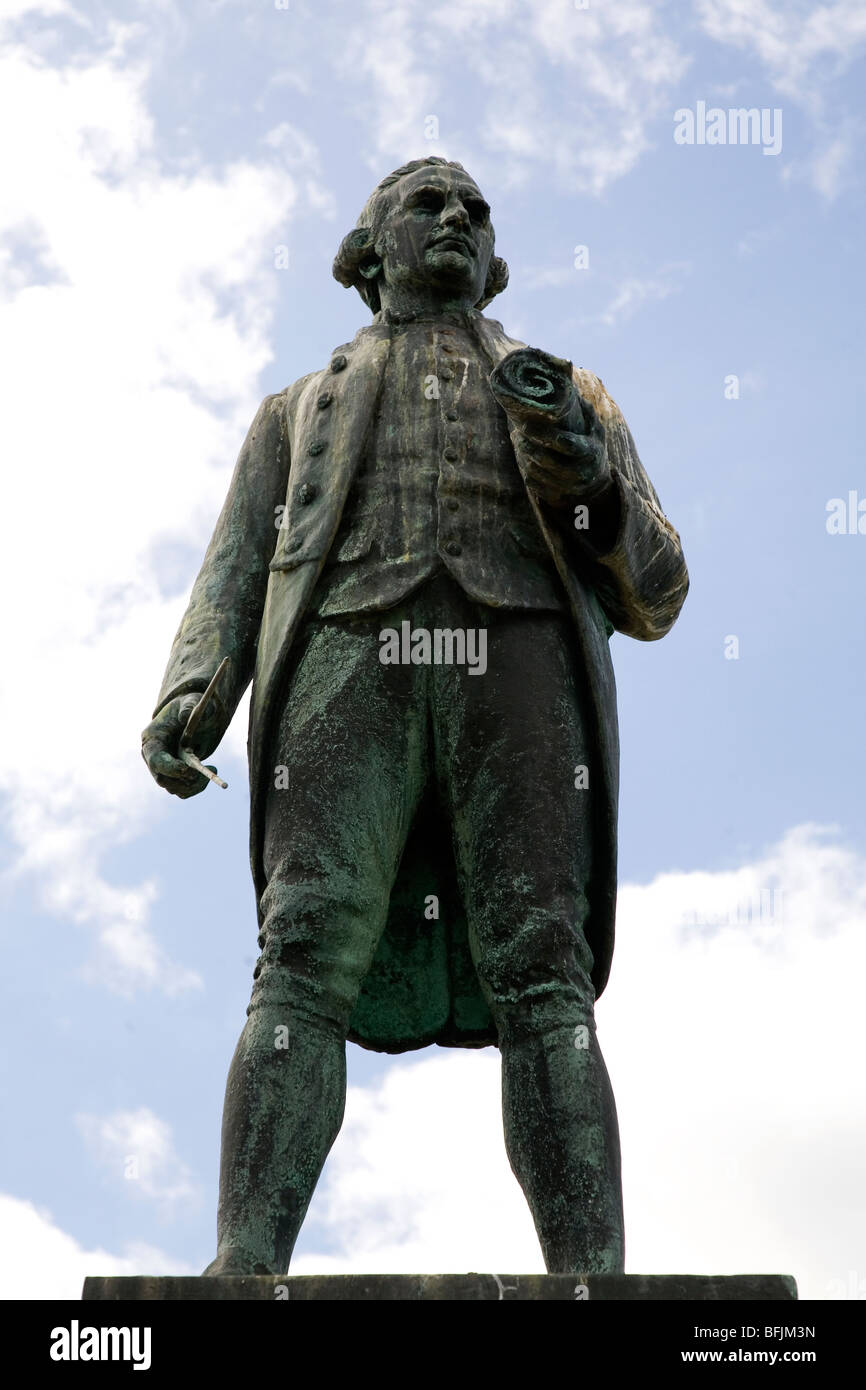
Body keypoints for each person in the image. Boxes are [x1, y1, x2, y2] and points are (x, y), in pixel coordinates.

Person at [141, 156, 689, 1276]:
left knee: (546, 964)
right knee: (300, 953)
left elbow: (659, 586)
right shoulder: (295, 410)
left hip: (520, 657)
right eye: (426, 204)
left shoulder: (568, 394)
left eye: (476, 211)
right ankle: (244, 1261)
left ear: (495, 263)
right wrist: (191, 694)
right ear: (366, 249)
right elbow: (237, 570)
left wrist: (580, 477)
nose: (456, 219)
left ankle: (588, 1271)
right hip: (349, 659)